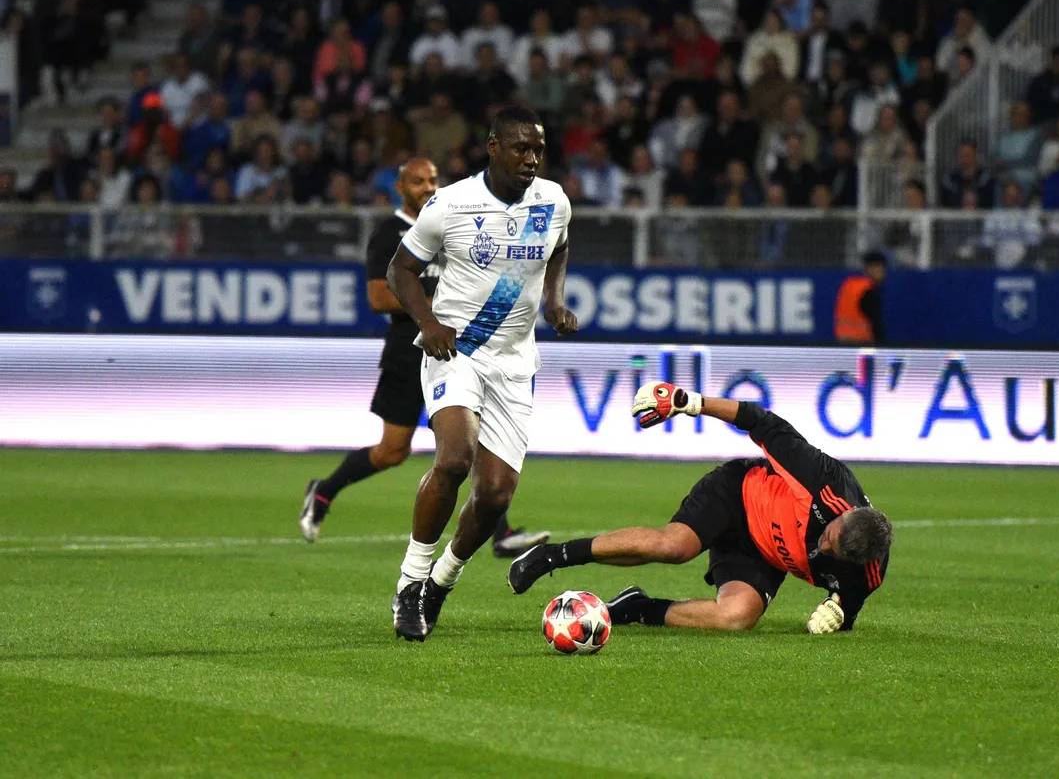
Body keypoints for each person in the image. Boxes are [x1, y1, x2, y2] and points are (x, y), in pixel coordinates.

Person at [385, 106, 578, 641]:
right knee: (453, 460)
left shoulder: (553, 201)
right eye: (520, 148)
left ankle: (441, 582)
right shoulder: (450, 205)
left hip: (516, 363)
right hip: (458, 352)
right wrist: (428, 320)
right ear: (493, 147)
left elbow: (558, 248)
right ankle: (410, 583)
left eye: (538, 148)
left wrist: (555, 301)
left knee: (495, 495)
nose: (532, 158)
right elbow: (399, 269)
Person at [299, 157, 553, 553]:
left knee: (470, 443)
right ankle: (324, 490)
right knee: (391, 451)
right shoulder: (391, 233)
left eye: (432, 179)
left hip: (458, 354)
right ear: (400, 188)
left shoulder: (454, 221)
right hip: (407, 350)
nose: (427, 187)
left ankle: (500, 533)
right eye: (417, 181)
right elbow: (379, 296)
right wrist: (442, 305)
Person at [507, 383, 893, 634]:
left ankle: (638, 608)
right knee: (673, 547)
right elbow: (761, 421)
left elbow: (847, 606)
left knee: (737, 618)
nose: (823, 548)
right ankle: (552, 556)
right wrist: (691, 402)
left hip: (764, 554)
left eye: (833, 553)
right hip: (739, 496)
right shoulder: (823, 480)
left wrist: (836, 615)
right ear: (844, 514)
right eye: (828, 537)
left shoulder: (868, 569)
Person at [834, 251, 887, 344]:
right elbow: (876, 323)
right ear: (871, 269)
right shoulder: (869, 291)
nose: (883, 275)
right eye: (881, 270)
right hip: (862, 343)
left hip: (843, 343)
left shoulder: (848, 285)